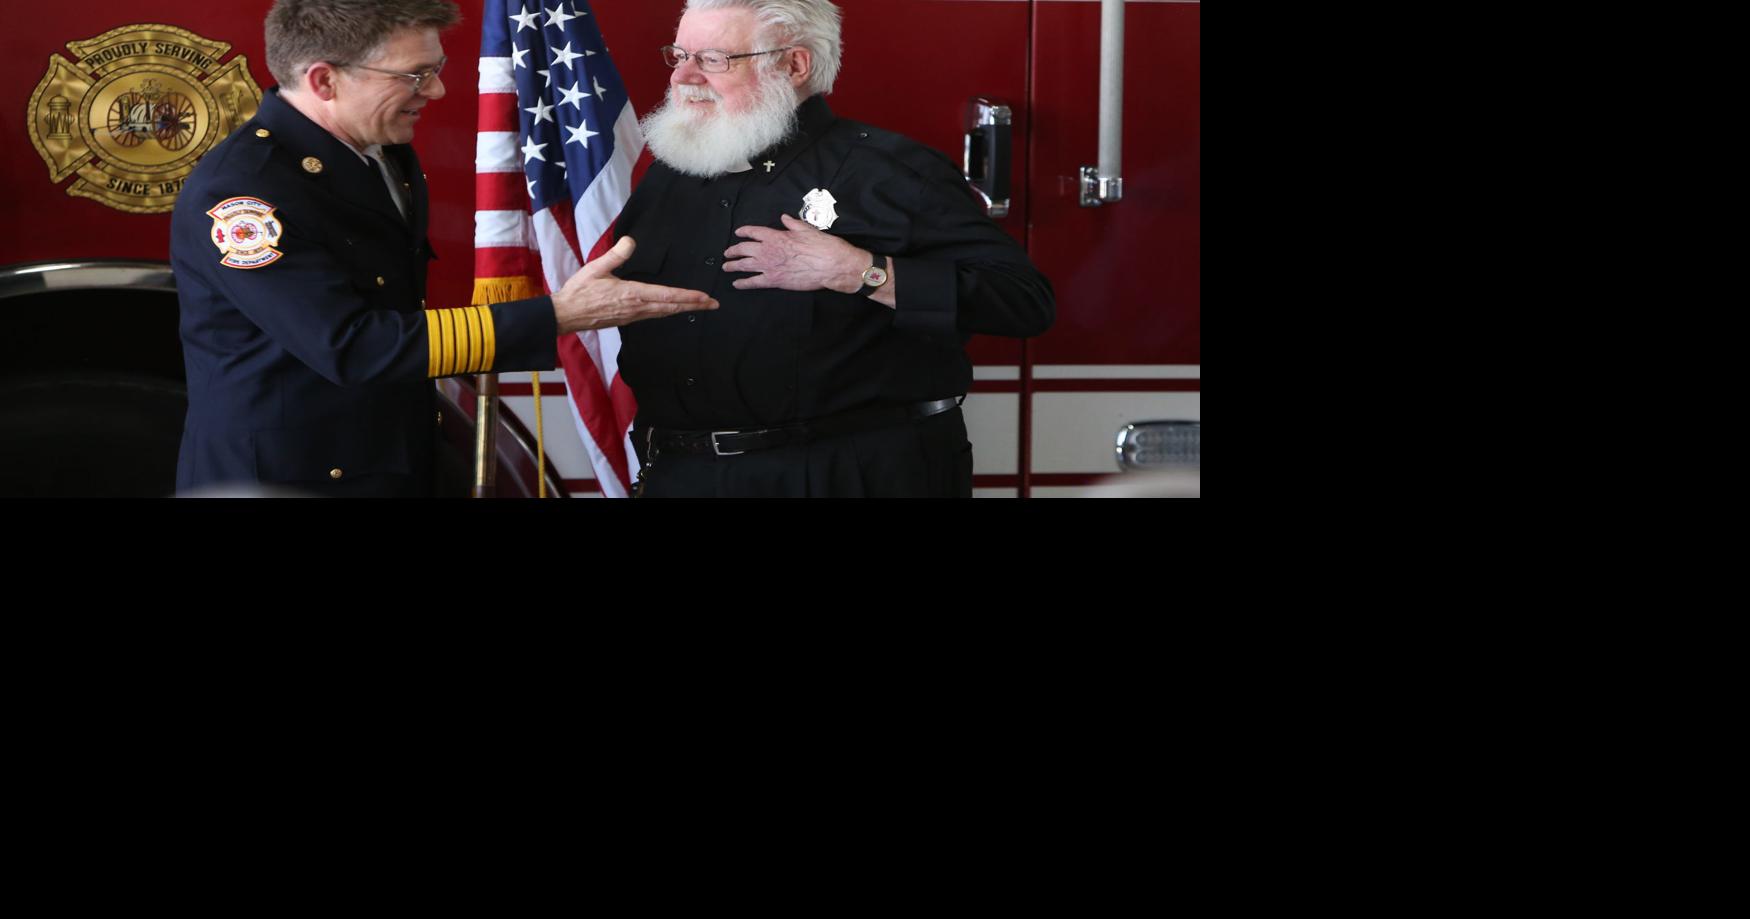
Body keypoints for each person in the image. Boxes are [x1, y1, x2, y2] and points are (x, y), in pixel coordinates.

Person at [170, 0, 716, 497]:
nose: (436, 92)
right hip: (292, 478)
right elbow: (353, 346)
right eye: (415, 74)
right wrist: (559, 314)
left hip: (386, 459)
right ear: (324, 80)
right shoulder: (246, 193)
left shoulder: (379, 152)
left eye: (435, 70)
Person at [617, 0, 1054, 498]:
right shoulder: (669, 176)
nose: (684, 77)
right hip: (684, 474)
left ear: (793, 65)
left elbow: (1024, 302)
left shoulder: (889, 172)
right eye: (679, 56)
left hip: (845, 475)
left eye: (714, 59)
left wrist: (861, 272)